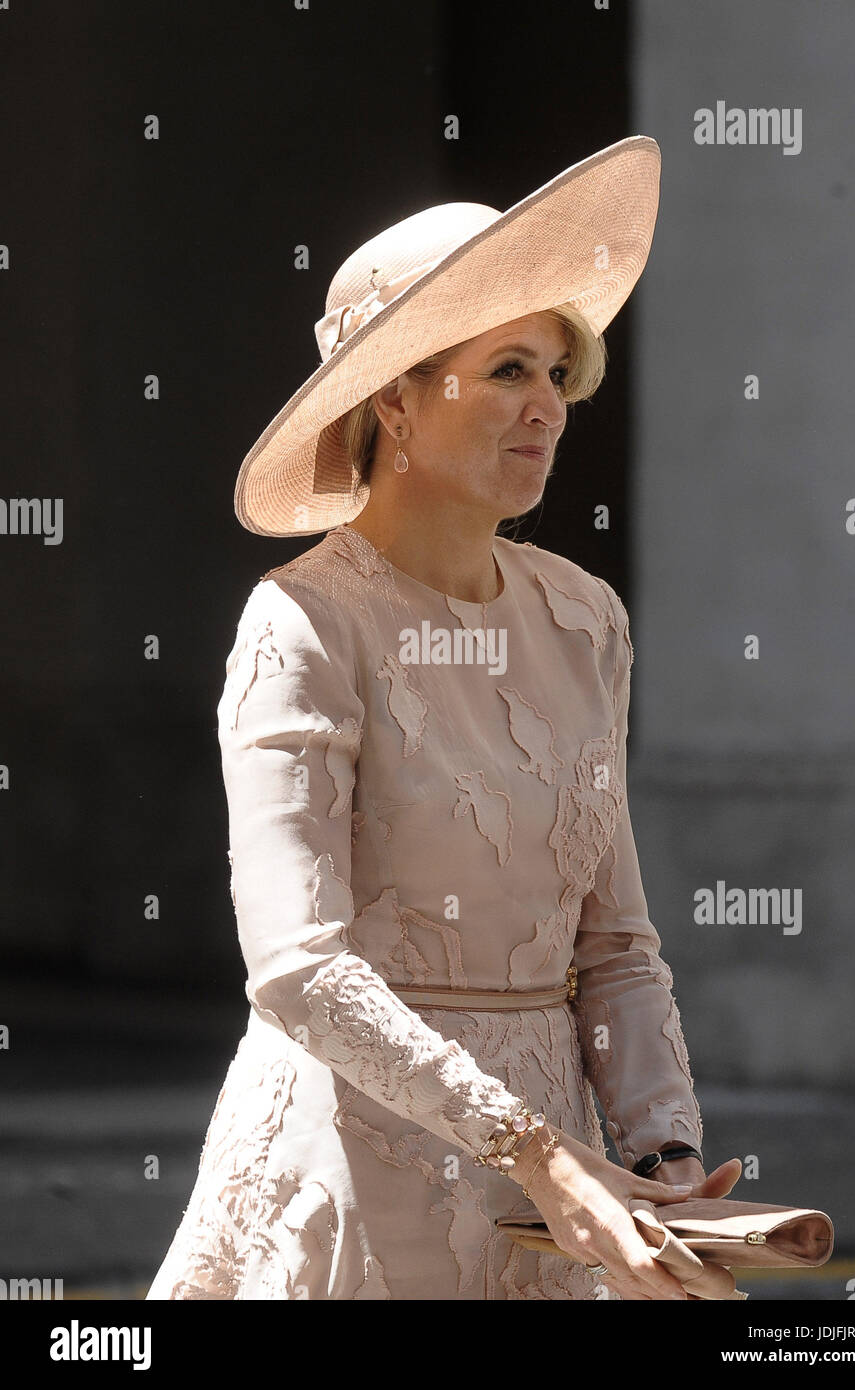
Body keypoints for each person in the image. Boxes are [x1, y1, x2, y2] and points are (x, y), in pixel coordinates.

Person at [146, 136, 741, 1302]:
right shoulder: (301, 623)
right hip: (360, 1180)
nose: (548, 407)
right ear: (396, 402)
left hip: (556, 1209)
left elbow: (615, 944)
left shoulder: (586, 618)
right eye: (508, 367)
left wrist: (661, 1156)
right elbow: (302, 969)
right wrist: (537, 1150)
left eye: (558, 372)